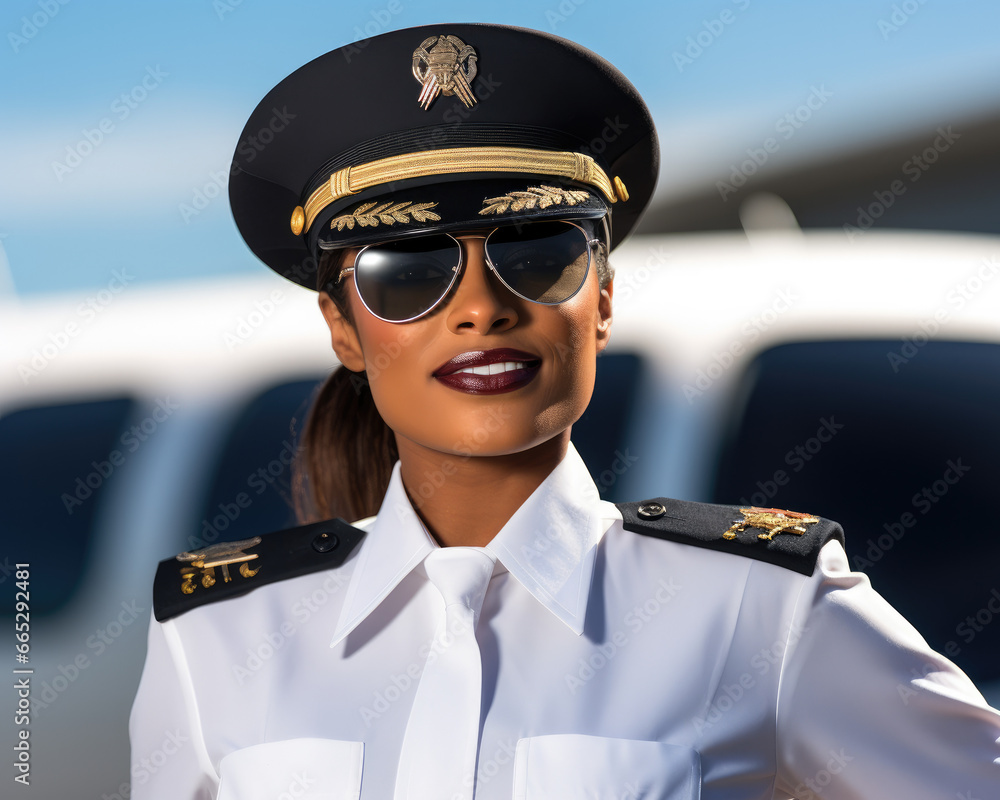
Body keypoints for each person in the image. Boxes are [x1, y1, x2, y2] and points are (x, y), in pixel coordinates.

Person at [129, 23, 1000, 800]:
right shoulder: (214, 637)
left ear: (605, 301)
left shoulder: (764, 608)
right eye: (406, 273)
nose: (481, 307)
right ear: (343, 330)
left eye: (540, 255)